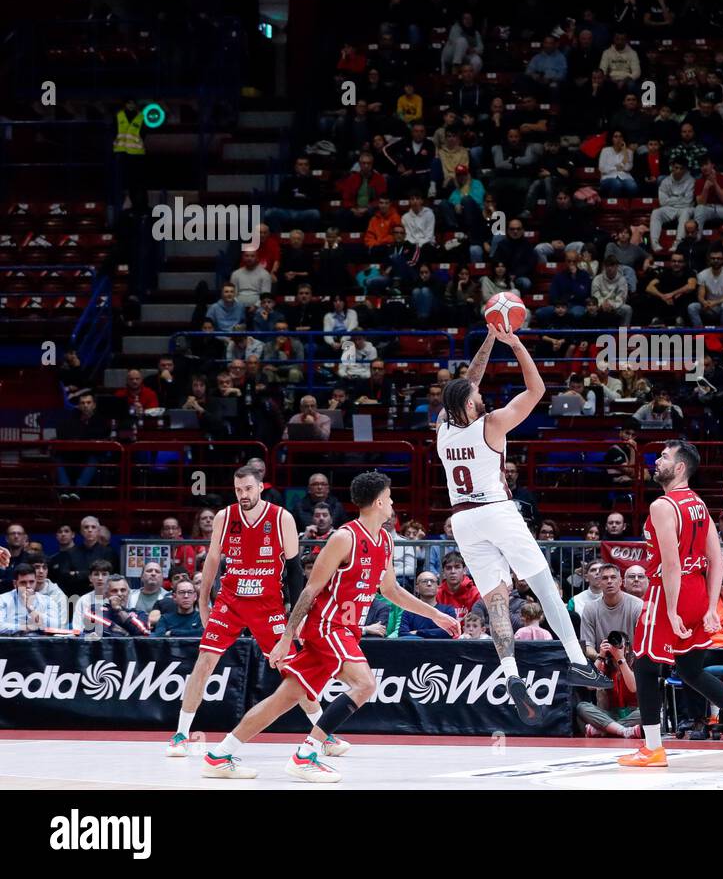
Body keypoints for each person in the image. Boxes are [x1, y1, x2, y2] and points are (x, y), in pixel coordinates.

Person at [202, 472, 461, 782]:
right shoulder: (344, 537)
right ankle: (307, 754)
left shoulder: (387, 541)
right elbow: (310, 590)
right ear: (379, 501)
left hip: (346, 630)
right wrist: (286, 637)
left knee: (284, 698)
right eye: (390, 497)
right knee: (364, 684)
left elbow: (391, 591)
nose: (392, 503)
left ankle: (219, 754)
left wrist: (435, 614)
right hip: (327, 626)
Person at [435, 327, 611, 725]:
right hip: (496, 510)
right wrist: (514, 344)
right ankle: (576, 660)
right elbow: (536, 390)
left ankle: (511, 674)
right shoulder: (491, 424)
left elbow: (467, 382)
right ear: (469, 404)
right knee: (544, 583)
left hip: (462, 519)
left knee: (496, 600)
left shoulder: (443, 431)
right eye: (477, 397)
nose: (482, 397)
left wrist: (487, 339)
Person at [619, 439, 723, 769]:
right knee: (690, 670)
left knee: (645, 666)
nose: (656, 461)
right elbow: (717, 559)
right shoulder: (699, 505)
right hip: (696, 592)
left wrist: (672, 609)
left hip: (667, 593)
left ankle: (652, 748)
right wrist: (706, 606)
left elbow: (672, 564)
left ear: (678, 468)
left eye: (663, 456)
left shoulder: (663, 505)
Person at [163, 467, 336, 757]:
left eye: (248, 489)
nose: (243, 495)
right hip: (230, 602)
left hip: (268, 604)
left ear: (260, 487)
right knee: (205, 661)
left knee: (291, 669)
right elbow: (213, 561)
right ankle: (181, 733)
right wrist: (204, 602)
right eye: (238, 490)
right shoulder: (224, 517)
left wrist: (299, 616)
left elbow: (294, 572)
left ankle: (323, 733)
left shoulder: (282, 517)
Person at [576, 630, 642, 739]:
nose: (615, 647)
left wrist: (621, 659)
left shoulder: (636, 662)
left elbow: (633, 688)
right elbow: (590, 686)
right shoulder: (605, 664)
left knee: (645, 713)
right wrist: (601, 655)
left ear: (627, 647)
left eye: (619, 644)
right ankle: (623, 730)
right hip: (611, 714)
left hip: (633, 712)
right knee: (582, 707)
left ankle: (604, 730)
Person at [580, 563, 644, 660]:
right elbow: (588, 646)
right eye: (605, 578)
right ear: (599, 583)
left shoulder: (637, 605)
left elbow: (643, 645)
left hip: (632, 663)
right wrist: (602, 658)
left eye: (613, 577)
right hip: (601, 662)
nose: (609, 581)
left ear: (620, 582)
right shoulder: (590, 608)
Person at [0, 563, 62, 633]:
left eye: (31, 582)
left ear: (36, 581)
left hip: (41, 643)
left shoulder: (47, 601)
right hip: (10, 643)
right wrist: (26, 627)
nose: (28, 586)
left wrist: (31, 609)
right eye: (23, 582)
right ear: (15, 584)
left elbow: (56, 626)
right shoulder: (3, 599)